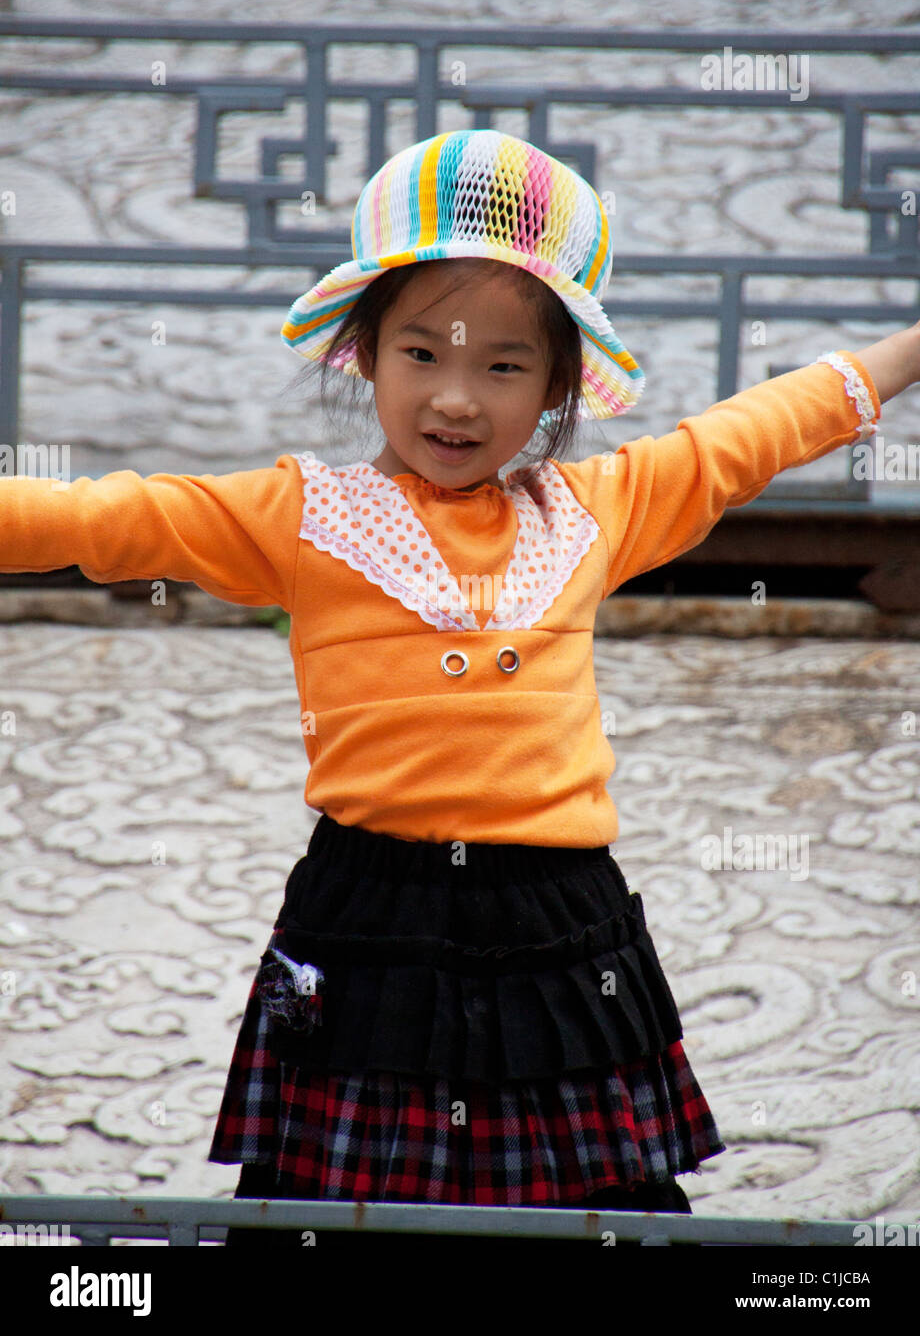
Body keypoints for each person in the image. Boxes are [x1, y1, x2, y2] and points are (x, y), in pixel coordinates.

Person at [2, 130, 917, 1253]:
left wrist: (908, 350)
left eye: (502, 364)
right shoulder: (299, 517)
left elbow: (753, 433)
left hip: (557, 924)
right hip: (371, 916)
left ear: (556, 384)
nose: (455, 398)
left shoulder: (594, 510)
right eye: (421, 353)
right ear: (364, 351)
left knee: (589, 1214)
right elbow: (100, 519)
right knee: (338, 1213)